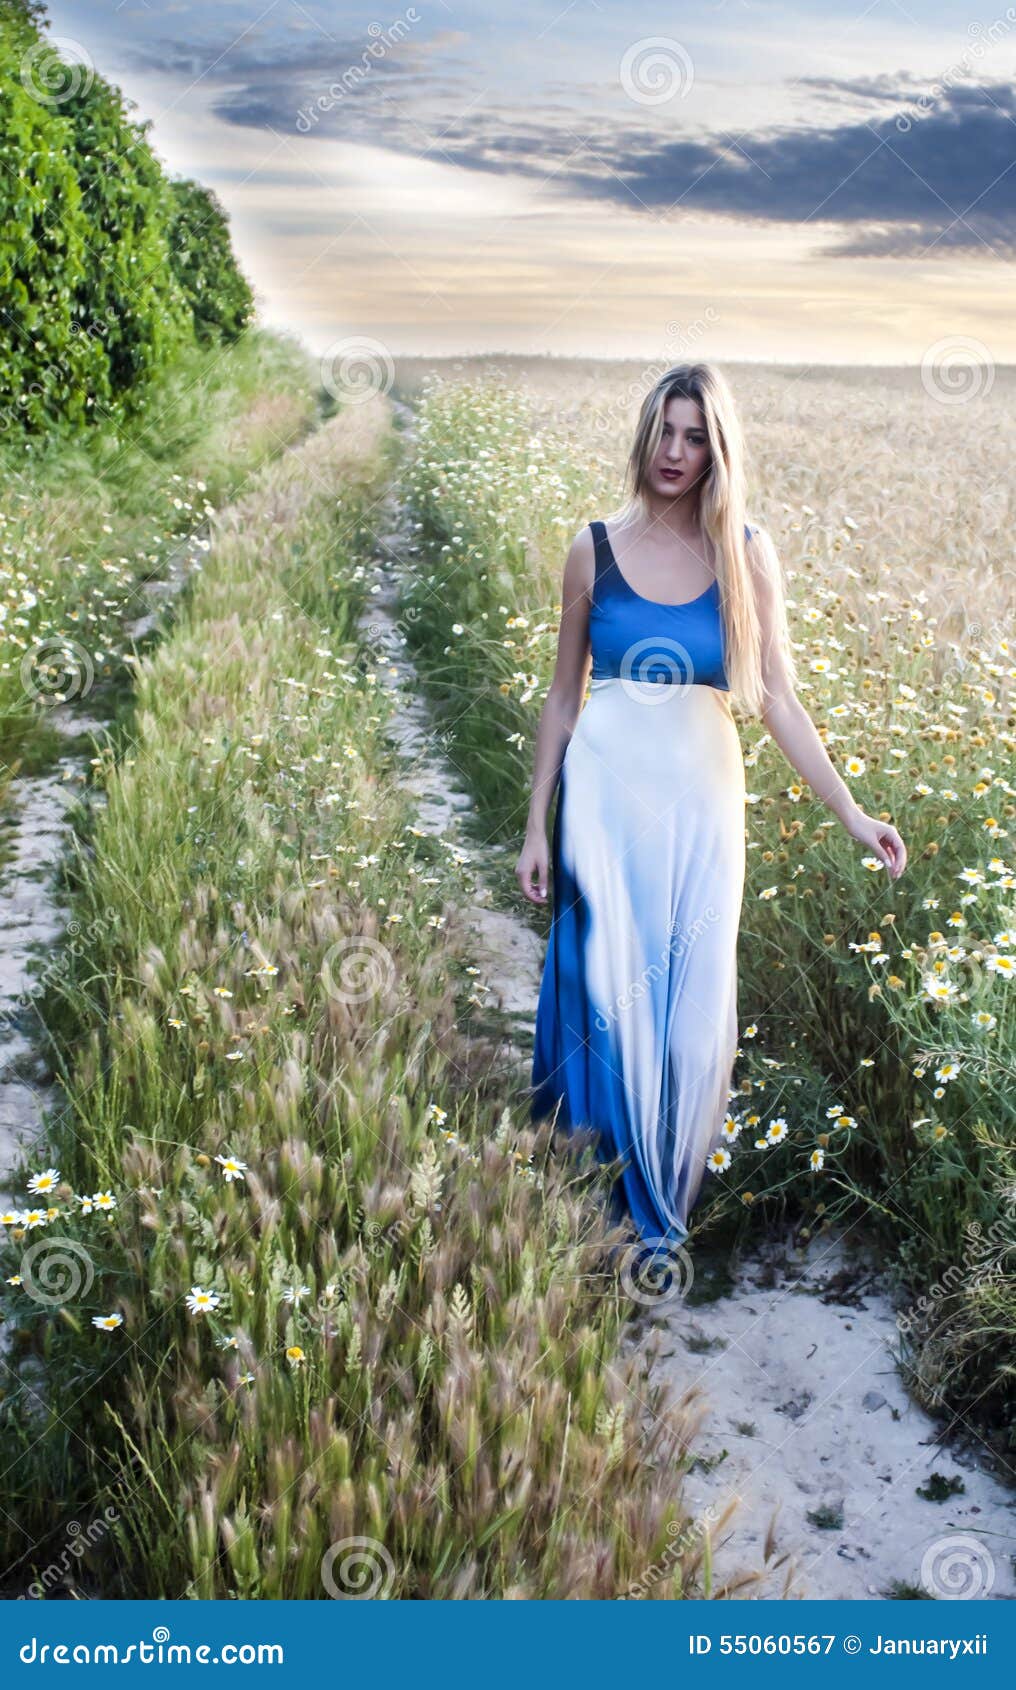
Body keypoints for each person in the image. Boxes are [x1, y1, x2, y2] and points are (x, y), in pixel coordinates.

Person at [518, 362, 906, 1251]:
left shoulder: (745, 554)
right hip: (602, 804)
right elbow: (563, 697)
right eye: (667, 430)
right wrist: (537, 821)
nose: (678, 452)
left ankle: (659, 1194)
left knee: (687, 1002)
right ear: (645, 432)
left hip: (701, 806)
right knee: (600, 985)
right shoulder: (593, 548)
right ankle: (594, 1199)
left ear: (717, 449)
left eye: (697, 437)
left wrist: (852, 813)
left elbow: (777, 699)